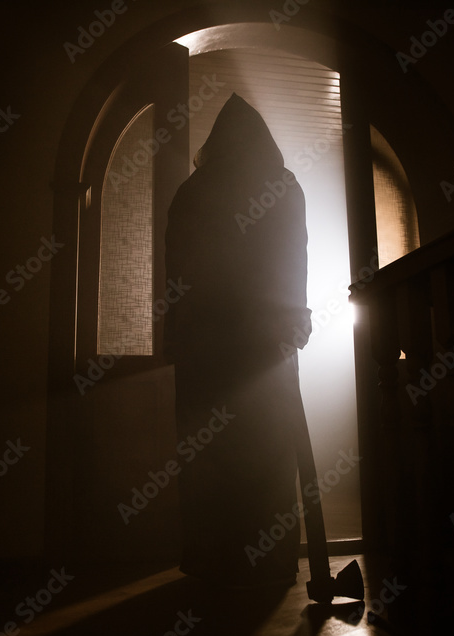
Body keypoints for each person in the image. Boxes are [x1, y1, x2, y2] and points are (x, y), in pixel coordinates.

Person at [164, 93, 313, 588]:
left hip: (206, 345)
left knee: (210, 453)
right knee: (265, 452)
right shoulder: (283, 189)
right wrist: (294, 316)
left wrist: (176, 337)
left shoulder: (192, 192)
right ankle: (266, 564)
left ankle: (213, 561)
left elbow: (176, 276)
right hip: (261, 343)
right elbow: (293, 258)